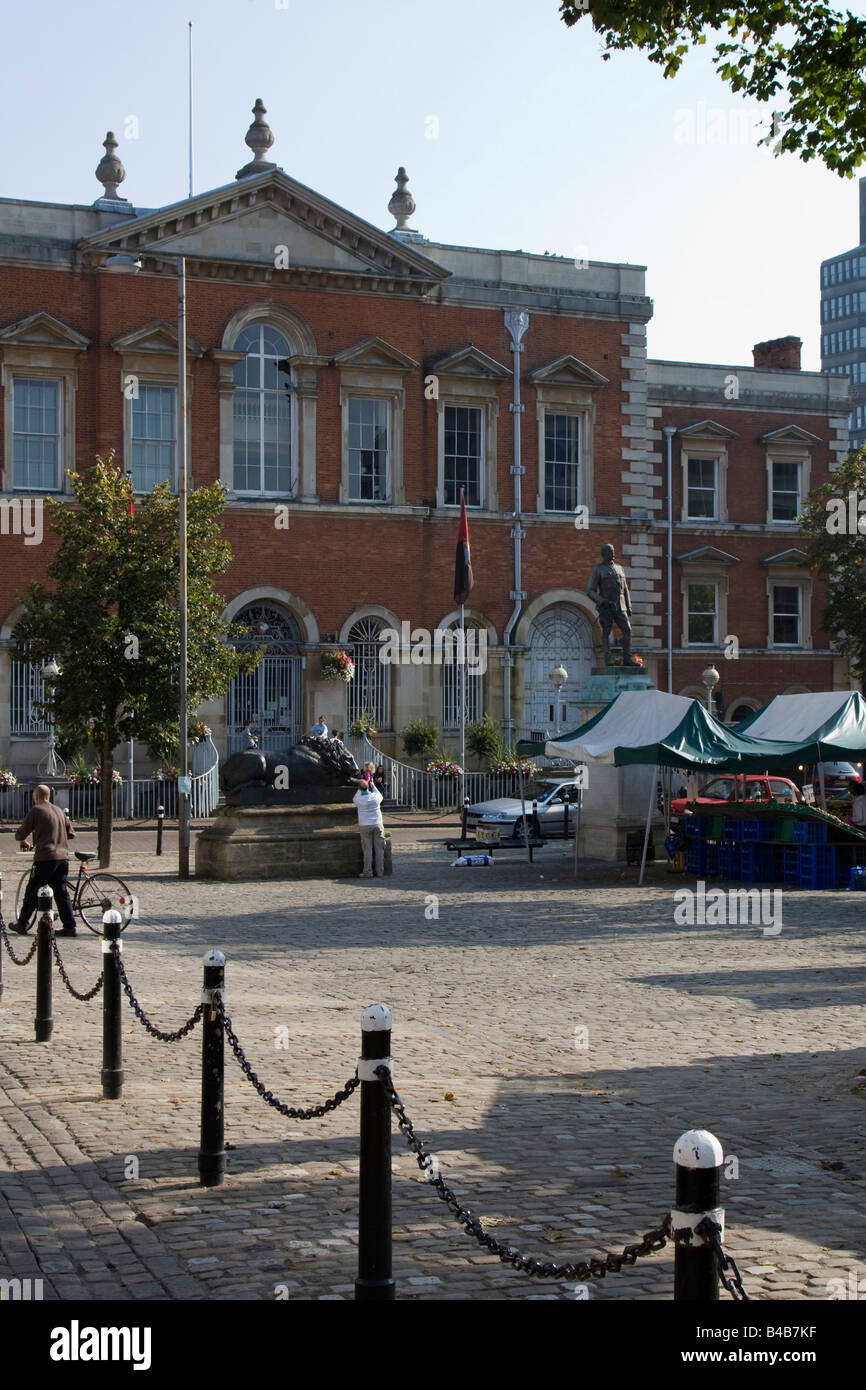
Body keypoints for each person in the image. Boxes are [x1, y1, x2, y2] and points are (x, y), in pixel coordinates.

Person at [9, 785, 78, 937]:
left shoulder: (37, 810)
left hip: (45, 858)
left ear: (36, 797)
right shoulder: (60, 811)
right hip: (62, 858)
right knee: (61, 893)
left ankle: (22, 923)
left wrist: (23, 840)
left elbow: (21, 832)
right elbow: (71, 834)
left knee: (33, 890)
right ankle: (69, 926)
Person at [353, 776, 385, 878]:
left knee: (367, 850)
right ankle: (380, 872)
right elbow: (379, 794)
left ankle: (368, 872)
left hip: (365, 825)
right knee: (379, 849)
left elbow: (357, 794)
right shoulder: (376, 797)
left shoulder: (358, 799)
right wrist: (372, 785)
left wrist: (361, 785)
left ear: (359, 789)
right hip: (377, 824)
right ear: (368, 787)